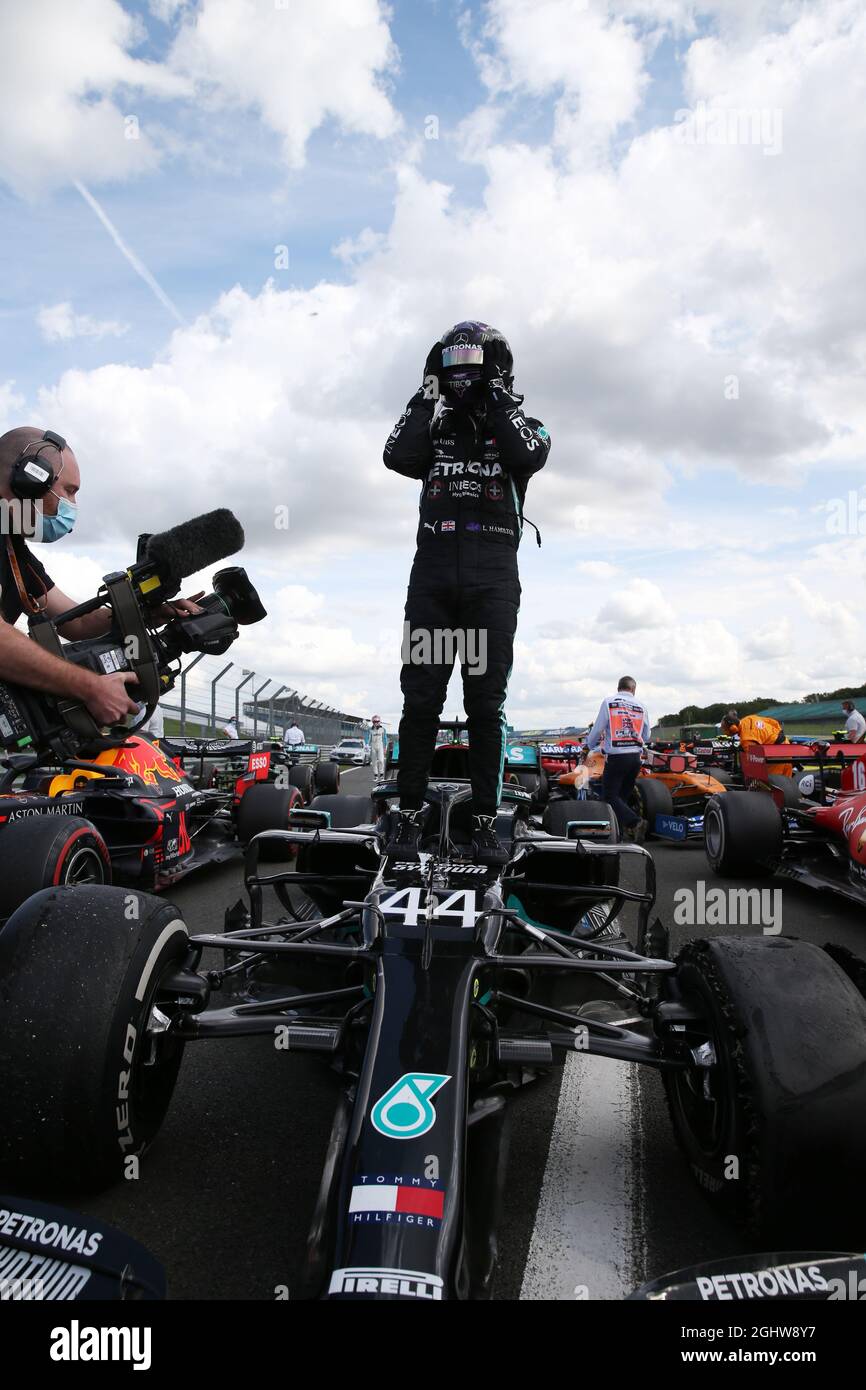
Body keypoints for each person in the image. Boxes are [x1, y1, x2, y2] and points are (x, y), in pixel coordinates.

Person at [384, 321, 550, 864]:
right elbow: (397, 457)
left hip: (492, 580)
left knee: (484, 704)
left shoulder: (523, 426)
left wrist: (497, 393)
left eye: (470, 361)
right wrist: (425, 394)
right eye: (450, 361)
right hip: (432, 578)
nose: (461, 372)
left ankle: (483, 823)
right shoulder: (433, 429)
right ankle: (408, 817)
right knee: (421, 698)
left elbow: (526, 457)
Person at [0, 426, 202, 728]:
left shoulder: (14, 551)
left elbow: (77, 621)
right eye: (69, 490)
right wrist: (89, 687)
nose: (73, 506)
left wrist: (148, 613)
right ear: (29, 479)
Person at [586, 677, 651, 841]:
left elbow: (598, 728)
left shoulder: (609, 702)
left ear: (618, 687)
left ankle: (635, 822)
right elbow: (647, 735)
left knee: (609, 796)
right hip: (635, 758)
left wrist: (589, 745)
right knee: (621, 798)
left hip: (616, 757)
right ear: (633, 689)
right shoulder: (641, 706)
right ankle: (618, 834)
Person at [720, 708, 792, 777]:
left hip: (775, 753)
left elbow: (755, 761)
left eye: (725, 729)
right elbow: (774, 722)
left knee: (773, 782)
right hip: (786, 744)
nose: (725, 732)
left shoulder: (746, 739)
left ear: (733, 728)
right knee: (788, 780)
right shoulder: (750, 718)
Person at [369, 714, 386, 780]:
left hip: (380, 746)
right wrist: (367, 746)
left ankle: (381, 775)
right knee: (374, 761)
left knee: (381, 760)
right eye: (374, 722)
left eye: (377, 721)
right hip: (373, 746)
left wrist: (385, 747)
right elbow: (368, 738)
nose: (375, 723)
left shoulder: (383, 729)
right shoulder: (370, 730)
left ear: (379, 721)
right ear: (372, 722)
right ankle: (376, 775)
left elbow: (384, 739)